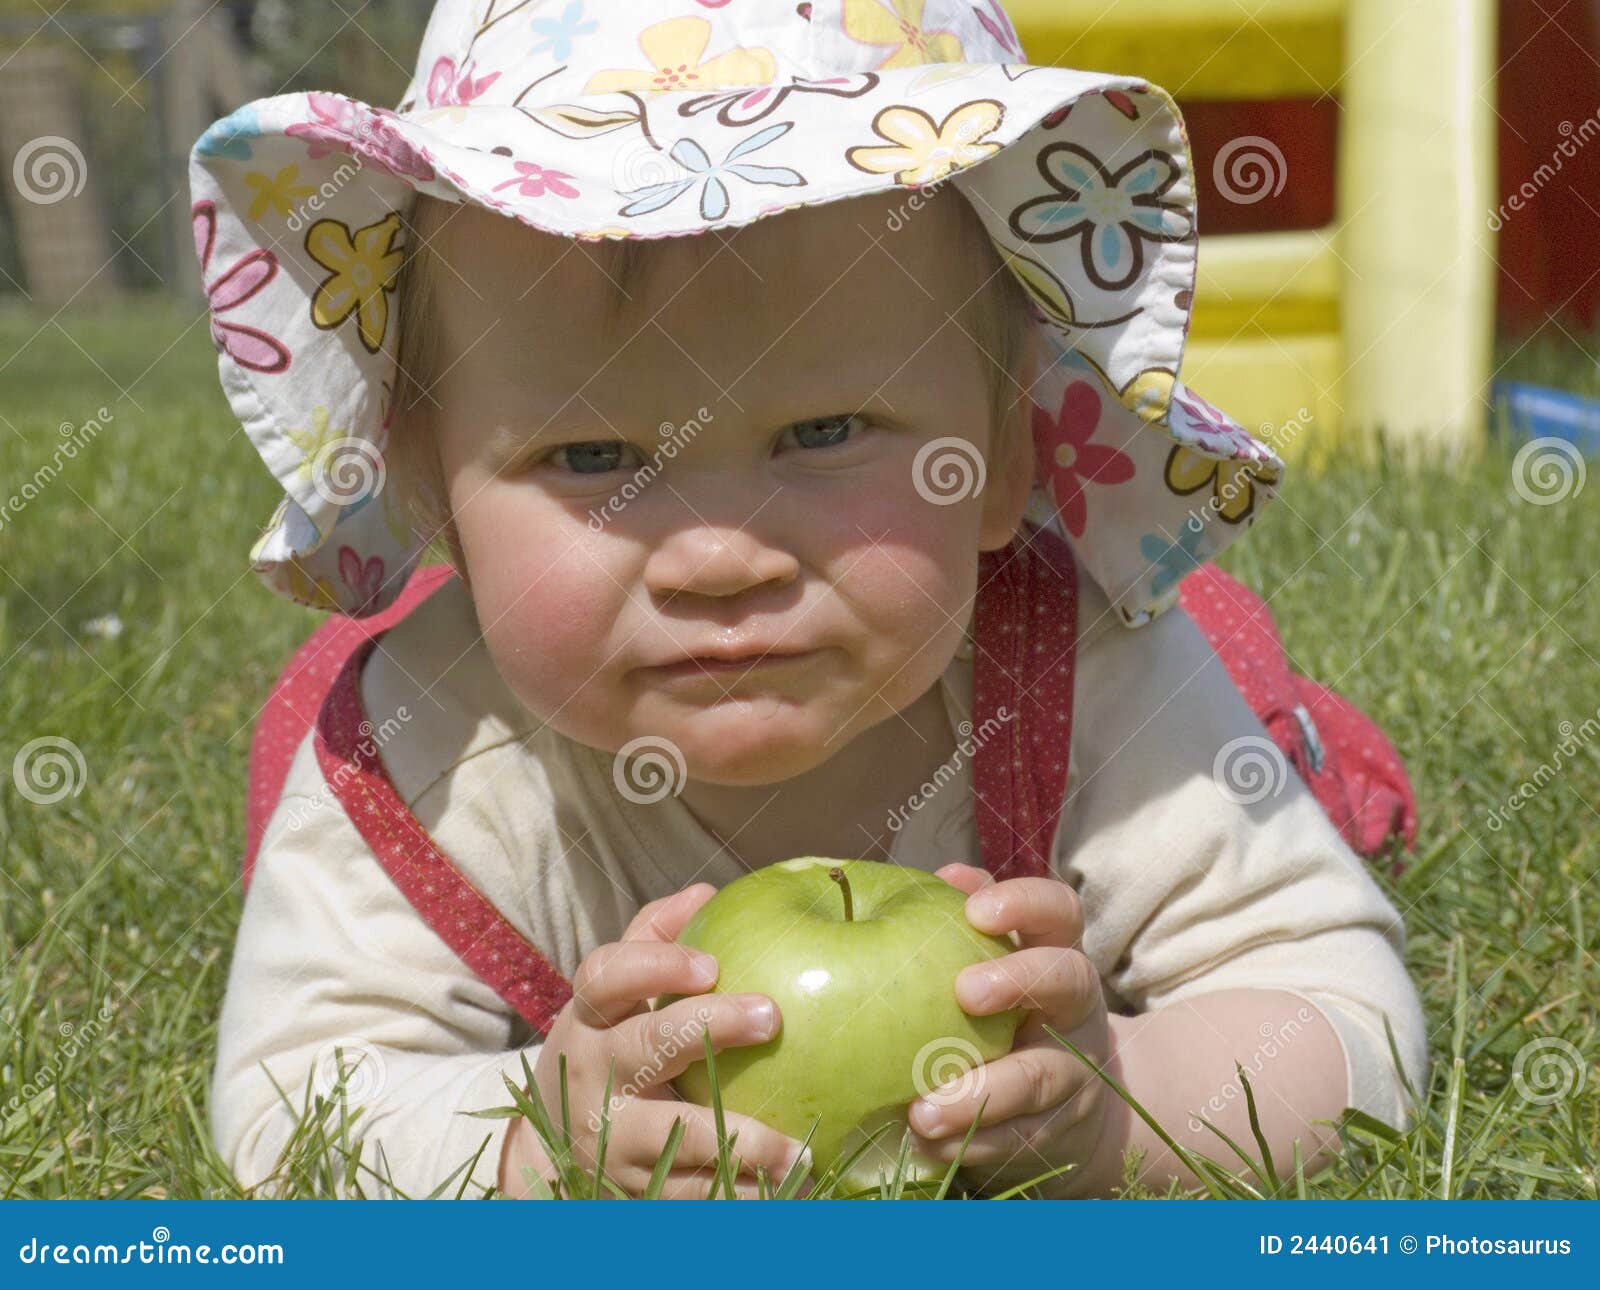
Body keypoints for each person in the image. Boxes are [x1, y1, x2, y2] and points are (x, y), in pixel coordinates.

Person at [191, 0, 1428, 1200]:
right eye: (592, 457)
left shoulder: (1094, 679)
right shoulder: (423, 755)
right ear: (431, 485)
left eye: (826, 432)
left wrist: (1126, 1105)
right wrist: (533, 1145)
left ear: (1003, 449)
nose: (720, 558)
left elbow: (1346, 1017)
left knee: (1266, 746)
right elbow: (287, 1104)